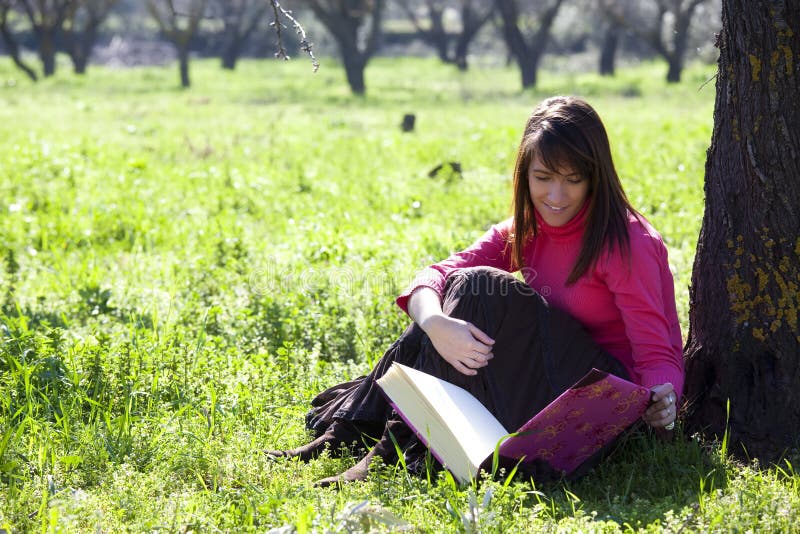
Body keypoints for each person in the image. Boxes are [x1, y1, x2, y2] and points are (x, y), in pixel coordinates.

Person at [268, 96, 684, 487]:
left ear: (596, 176)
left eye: (573, 181)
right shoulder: (528, 227)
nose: (556, 197)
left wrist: (664, 401)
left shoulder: (628, 242)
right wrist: (435, 324)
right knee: (449, 305)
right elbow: (434, 275)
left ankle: (389, 452)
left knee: (480, 286)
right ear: (524, 172)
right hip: (547, 375)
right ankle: (345, 436)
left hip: (600, 406)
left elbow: (658, 354)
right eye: (543, 178)